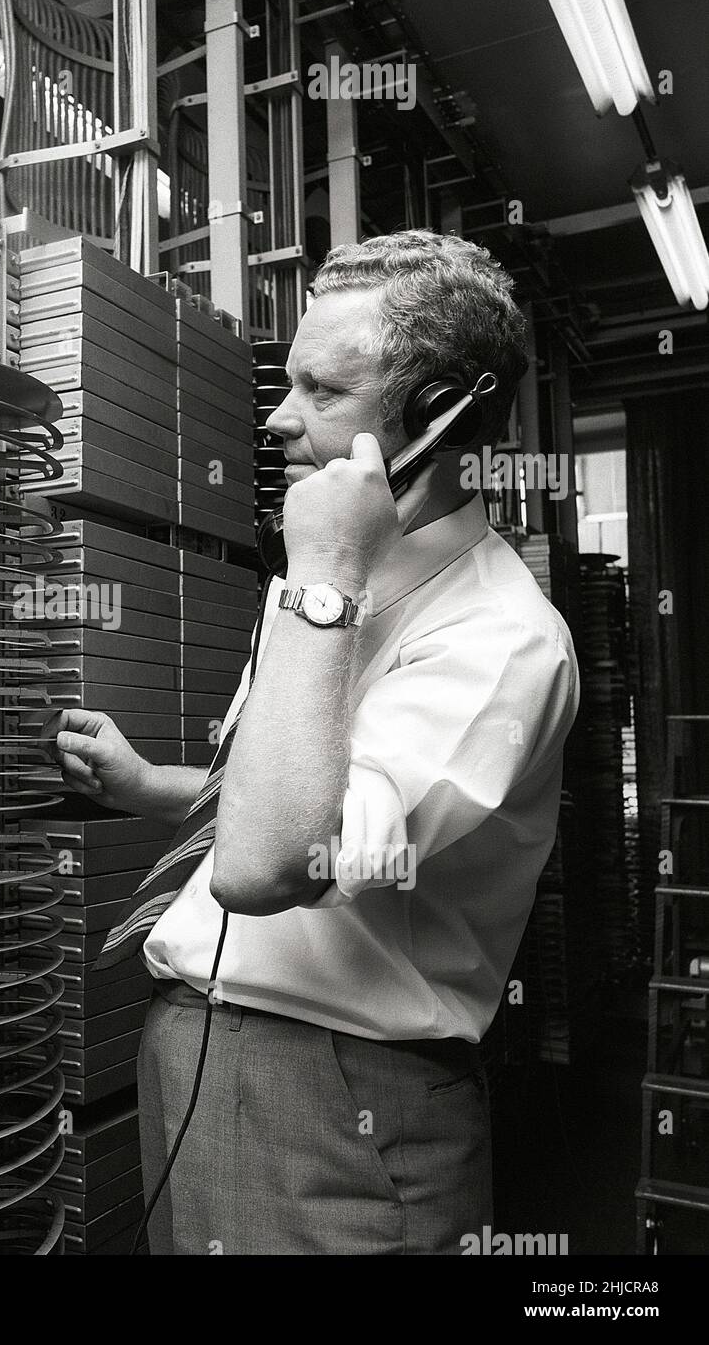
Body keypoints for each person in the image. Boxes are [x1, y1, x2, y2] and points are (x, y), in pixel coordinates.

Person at [50, 230, 580, 1254]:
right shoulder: (330, 578)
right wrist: (151, 784)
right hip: (198, 1051)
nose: (277, 419)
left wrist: (326, 578)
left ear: (439, 418)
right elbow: (282, 797)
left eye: (323, 392)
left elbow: (272, 860)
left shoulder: (501, 640)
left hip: (336, 1100)